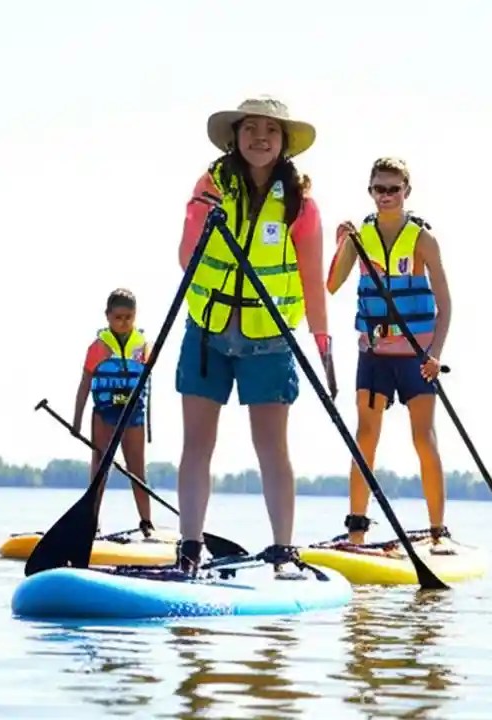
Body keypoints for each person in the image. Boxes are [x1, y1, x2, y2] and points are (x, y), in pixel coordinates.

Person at [173, 95, 332, 577]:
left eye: (271, 130)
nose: (260, 138)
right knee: (197, 445)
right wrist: (202, 215)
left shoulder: (300, 203)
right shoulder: (210, 186)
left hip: (271, 338)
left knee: (272, 449)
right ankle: (189, 546)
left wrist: (322, 341)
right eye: (251, 129)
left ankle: (283, 550)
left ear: (284, 142)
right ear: (235, 137)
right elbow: (186, 259)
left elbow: (311, 277)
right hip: (208, 333)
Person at [325, 157, 454, 550]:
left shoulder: (423, 239)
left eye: (393, 189)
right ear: (370, 191)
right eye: (378, 189)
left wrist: (434, 354)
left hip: (416, 356)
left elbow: (446, 304)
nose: (385, 196)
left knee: (423, 439)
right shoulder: (360, 237)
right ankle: (357, 531)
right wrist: (341, 243)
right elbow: (331, 285)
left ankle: (437, 533)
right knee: (365, 437)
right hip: (375, 354)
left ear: (406, 192)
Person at [72, 288, 155, 537]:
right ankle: (92, 522)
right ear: (107, 316)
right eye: (118, 317)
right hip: (104, 413)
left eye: (129, 317)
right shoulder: (97, 348)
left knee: (137, 470)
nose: (123, 322)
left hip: (133, 415)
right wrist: (76, 422)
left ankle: (146, 523)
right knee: (100, 470)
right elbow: (85, 384)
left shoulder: (143, 347)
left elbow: (148, 385)